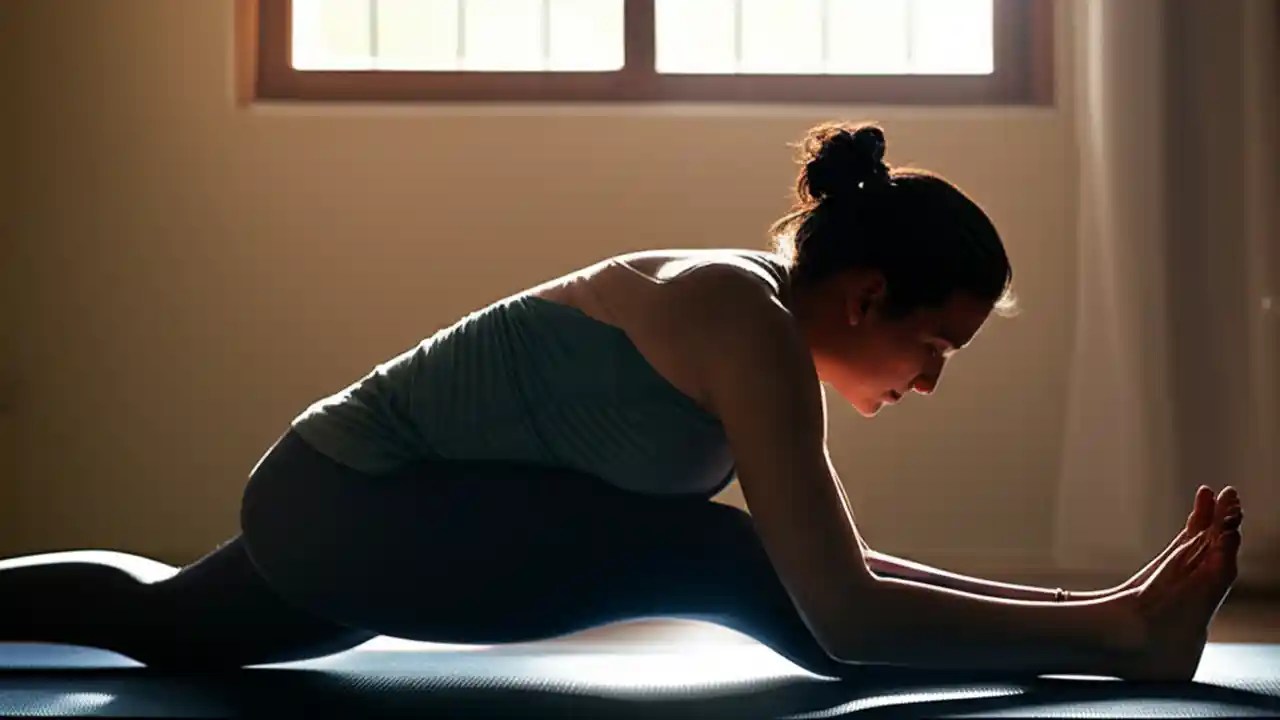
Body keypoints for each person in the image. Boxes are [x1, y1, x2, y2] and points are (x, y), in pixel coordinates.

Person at [0, 122, 1244, 681]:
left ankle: (1112, 630)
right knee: (717, 559)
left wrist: (1107, 604)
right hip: (352, 511)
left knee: (161, 624)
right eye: (935, 344)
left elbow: (841, 580)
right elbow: (845, 615)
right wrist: (1103, 629)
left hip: (345, 510)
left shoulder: (754, 319)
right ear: (862, 298)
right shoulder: (737, 321)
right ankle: (1114, 640)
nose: (929, 379)